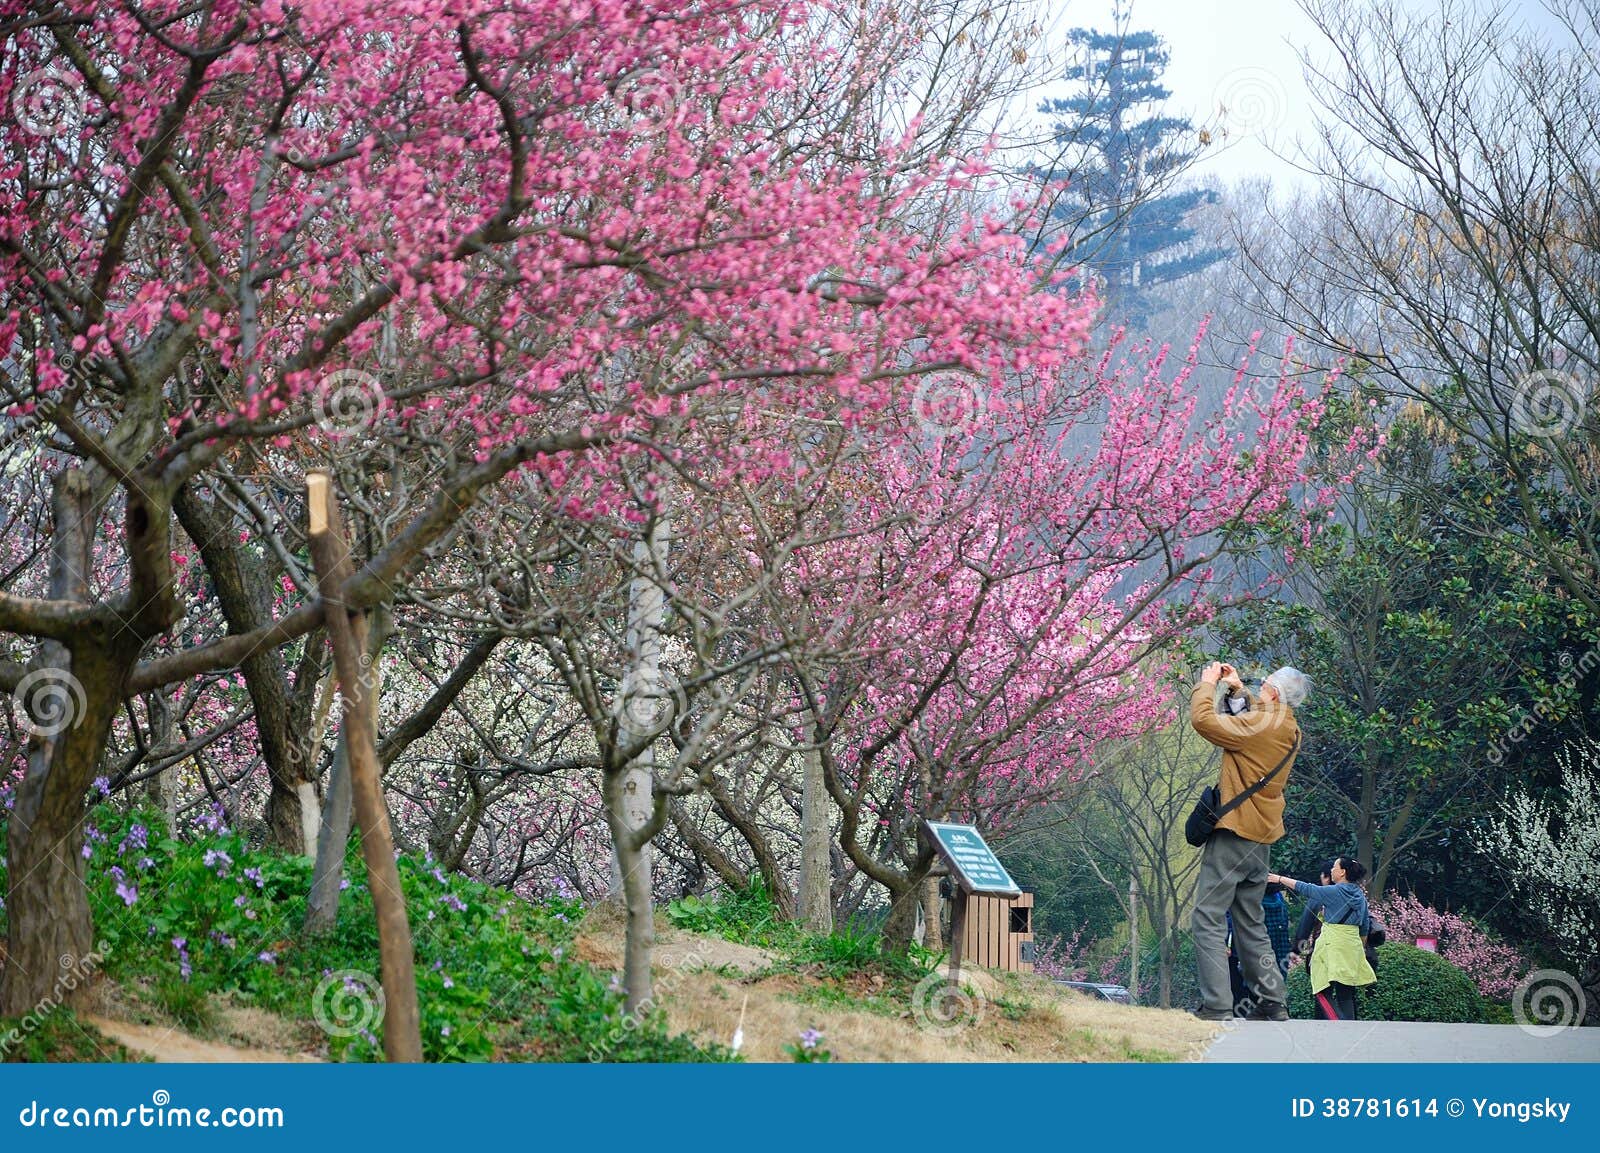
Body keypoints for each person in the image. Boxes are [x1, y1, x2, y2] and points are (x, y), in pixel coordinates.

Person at [1189, 662, 1309, 1021]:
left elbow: (1204, 722)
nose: (1260, 688)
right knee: (1249, 920)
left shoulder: (1260, 724)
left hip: (1234, 834)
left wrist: (1207, 685)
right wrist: (1237, 688)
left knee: (1207, 916)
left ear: (1273, 693)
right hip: (1262, 840)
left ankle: (1217, 1006)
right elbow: (1259, 717)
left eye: (1264, 685)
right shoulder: (1289, 727)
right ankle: (1272, 1001)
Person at [1269, 856, 1377, 1021]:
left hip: (1332, 945)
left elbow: (1307, 889)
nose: (1332, 870)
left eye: (1335, 867)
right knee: (1345, 992)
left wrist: (1280, 879)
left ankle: (1337, 1022)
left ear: (1342, 872)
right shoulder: (1359, 895)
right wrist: (1360, 949)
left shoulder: (1334, 891)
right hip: (1352, 945)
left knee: (1321, 988)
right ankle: (1349, 1027)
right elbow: (1364, 926)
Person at [1228, 882, 1293, 1013]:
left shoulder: (1250, 902)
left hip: (1256, 948)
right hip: (1279, 947)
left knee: (1248, 984)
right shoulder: (1279, 900)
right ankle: (1276, 1007)